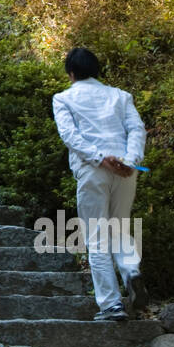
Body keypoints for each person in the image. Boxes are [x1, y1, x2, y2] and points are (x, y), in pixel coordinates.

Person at [52, 47, 147, 322]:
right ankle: (131, 271)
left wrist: (98, 158)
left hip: (92, 170)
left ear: (71, 73)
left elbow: (69, 135)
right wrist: (130, 160)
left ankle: (111, 305)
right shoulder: (121, 96)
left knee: (96, 239)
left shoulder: (63, 98)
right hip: (126, 171)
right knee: (119, 227)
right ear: (97, 70)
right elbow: (137, 129)